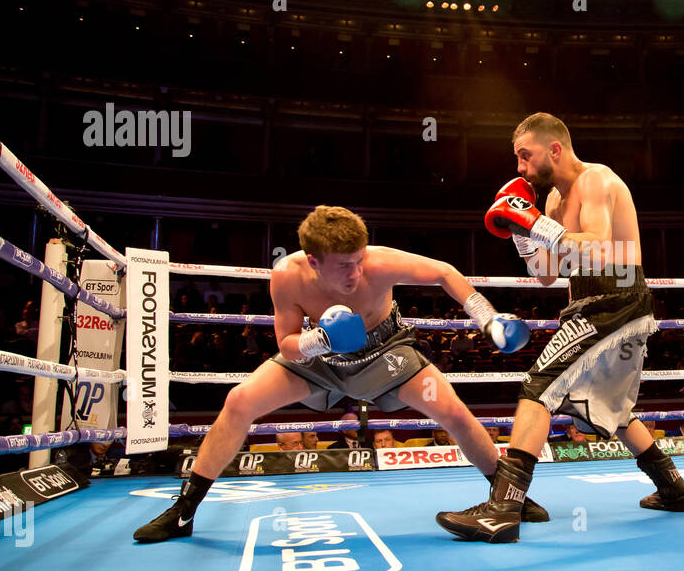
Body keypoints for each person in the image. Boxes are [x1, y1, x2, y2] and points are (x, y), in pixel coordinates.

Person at [134, 205, 548, 542]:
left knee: (453, 412)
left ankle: (509, 495)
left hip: (387, 350)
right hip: (321, 359)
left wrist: (487, 318)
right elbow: (286, 343)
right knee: (239, 402)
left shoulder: (380, 264)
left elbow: (443, 271)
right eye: (344, 265)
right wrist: (321, 342)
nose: (356, 273)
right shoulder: (288, 277)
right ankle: (183, 511)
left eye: (359, 260)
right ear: (313, 261)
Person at [436, 112, 684, 543]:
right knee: (602, 406)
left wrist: (534, 223)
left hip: (616, 298)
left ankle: (503, 508)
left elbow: (596, 243)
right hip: (591, 304)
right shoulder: (554, 202)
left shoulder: (596, 180)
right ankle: (674, 489)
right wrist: (523, 234)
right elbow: (546, 273)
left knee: (538, 389)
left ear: (554, 149)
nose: (519, 167)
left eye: (525, 156)